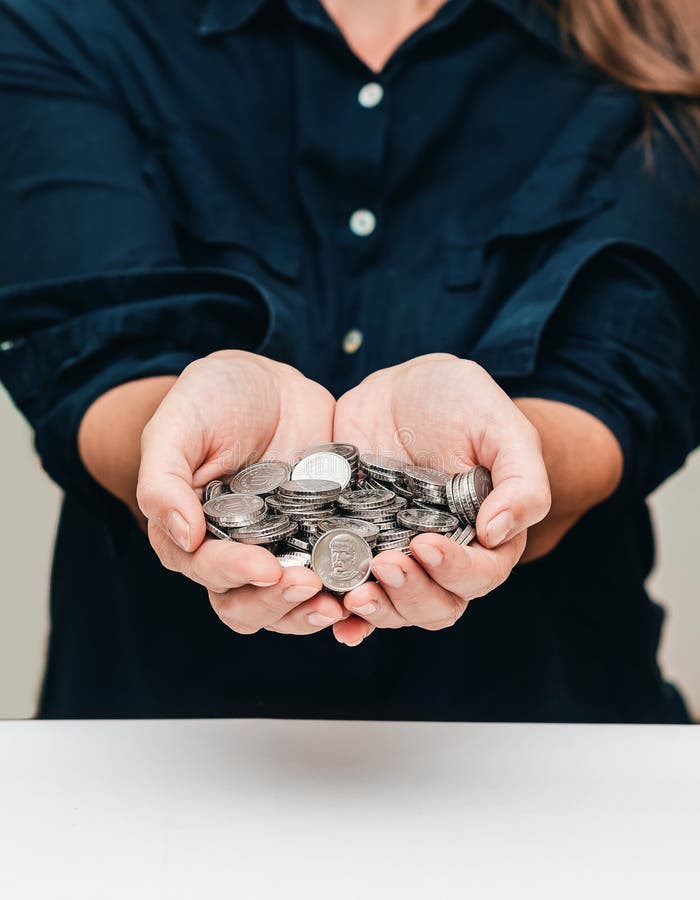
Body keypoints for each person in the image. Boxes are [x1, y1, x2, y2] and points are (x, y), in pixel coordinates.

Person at [1, 0, 699, 722]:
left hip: (555, 756)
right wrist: (177, 444)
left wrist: (506, 471)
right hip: (153, 762)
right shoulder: (68, 21)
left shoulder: (669, 45)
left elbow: (619, 384)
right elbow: (98, 360)